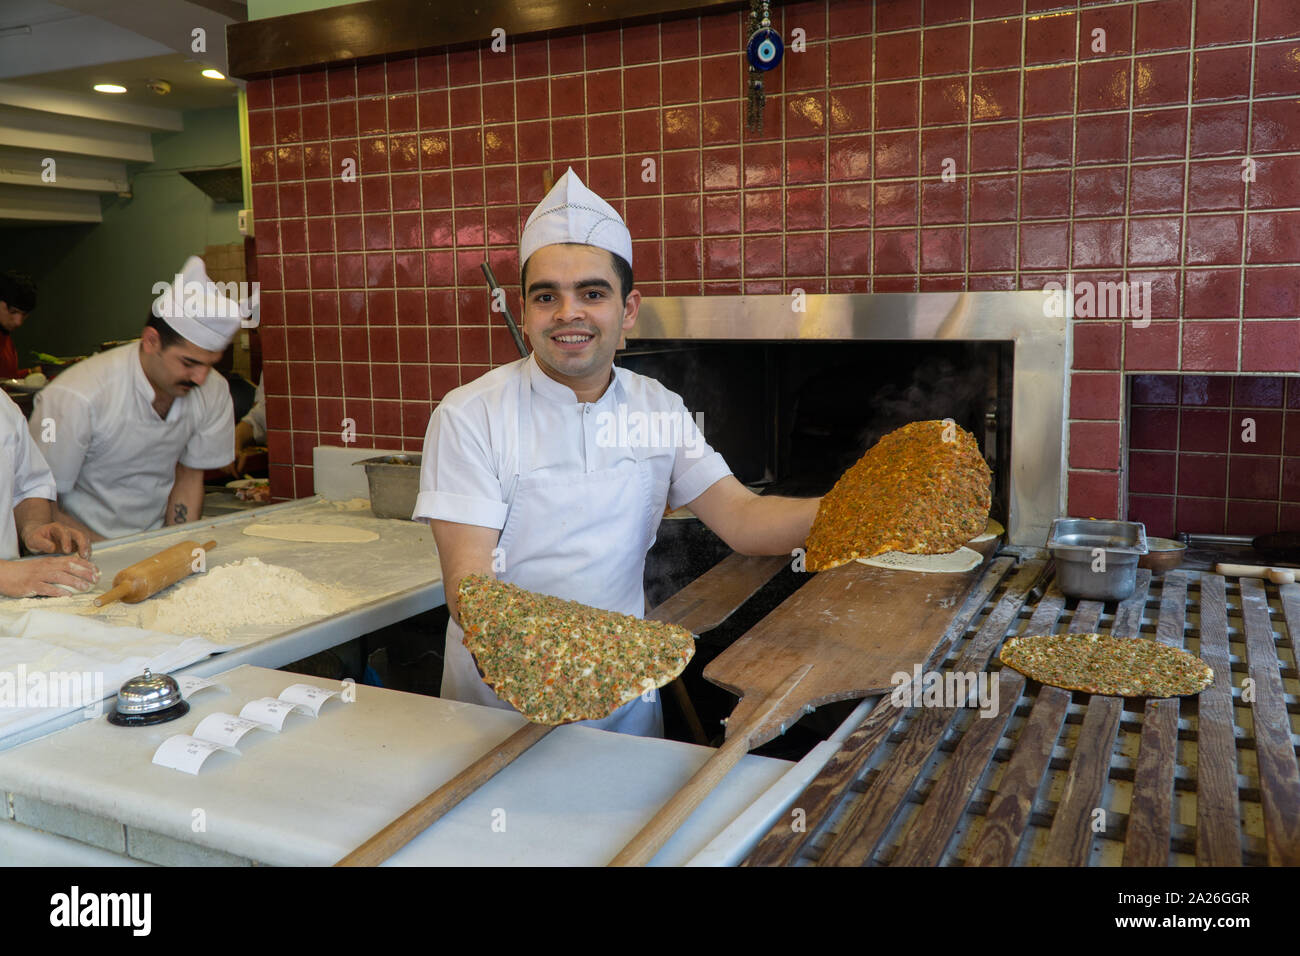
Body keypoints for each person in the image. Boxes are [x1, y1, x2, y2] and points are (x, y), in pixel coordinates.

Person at [415, 168, 821, 737]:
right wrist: (562, 666)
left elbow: (745, 521)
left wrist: (853, 509)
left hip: (623, 707)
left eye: (592, 293)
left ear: (628, 311)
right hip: (497, 709)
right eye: (546, 296)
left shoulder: (658, 408)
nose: (568, 313)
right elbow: (470, 590)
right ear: (526, 312)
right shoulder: (468, 415)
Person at [29, 256, 241, 540]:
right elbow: (38, 501)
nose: (200, 378)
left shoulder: (212, 390)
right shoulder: (75, 397)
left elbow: (190, 477)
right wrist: (115, 555)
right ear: (151, 340)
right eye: (189, 363)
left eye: (210, 364)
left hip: (152, 542)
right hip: (76, 548)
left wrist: (175, 547)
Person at [0, 390, 97, 597]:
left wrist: (33, 527)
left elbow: (28, 487)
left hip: (13, 597)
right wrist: (5, 574)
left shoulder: (3, 406)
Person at [0, 271, 36, 379]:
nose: (18, 322)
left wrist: (32, 372)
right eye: (13, 312)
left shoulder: (4, 334)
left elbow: (7, 379)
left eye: (24, 315)